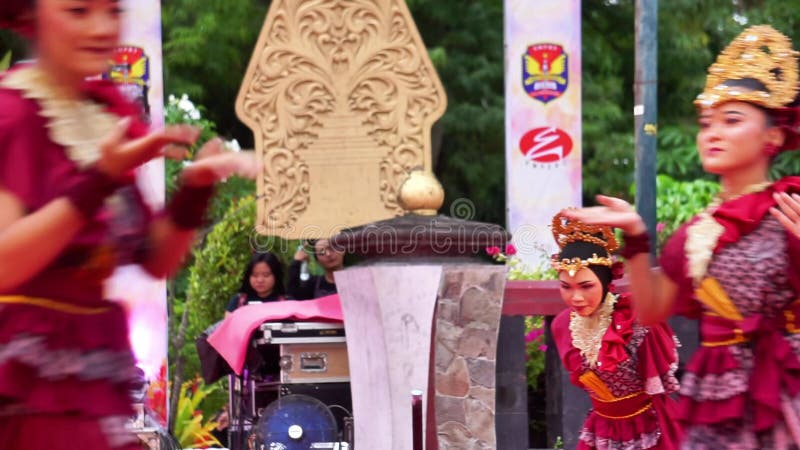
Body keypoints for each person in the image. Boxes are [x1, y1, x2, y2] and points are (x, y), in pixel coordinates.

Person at [0, 1, 256, 449]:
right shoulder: (13, 113)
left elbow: (154, 259)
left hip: (88, 369)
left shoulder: (106, 112)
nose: (102, 27)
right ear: (30, 15)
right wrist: (99, 179)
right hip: (22, 382)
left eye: (113, 11)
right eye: (78, 11)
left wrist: (196, 187)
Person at [564, 24, 800, 449]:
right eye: (706, 122)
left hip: (783, 391)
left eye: (731, 120)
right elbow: (652, 310)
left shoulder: (790, 205)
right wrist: (635, 236)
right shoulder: (696, 233)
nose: (712, 132)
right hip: (716, 397)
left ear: (773, 135)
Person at [549, 212, 682, 450]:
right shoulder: (562, 325)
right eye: (565, 287)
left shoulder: (636, 320)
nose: (576, 297)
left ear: (607, 281)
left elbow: (660, 383)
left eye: (586, 286)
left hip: (648, 428)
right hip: (602, 429)